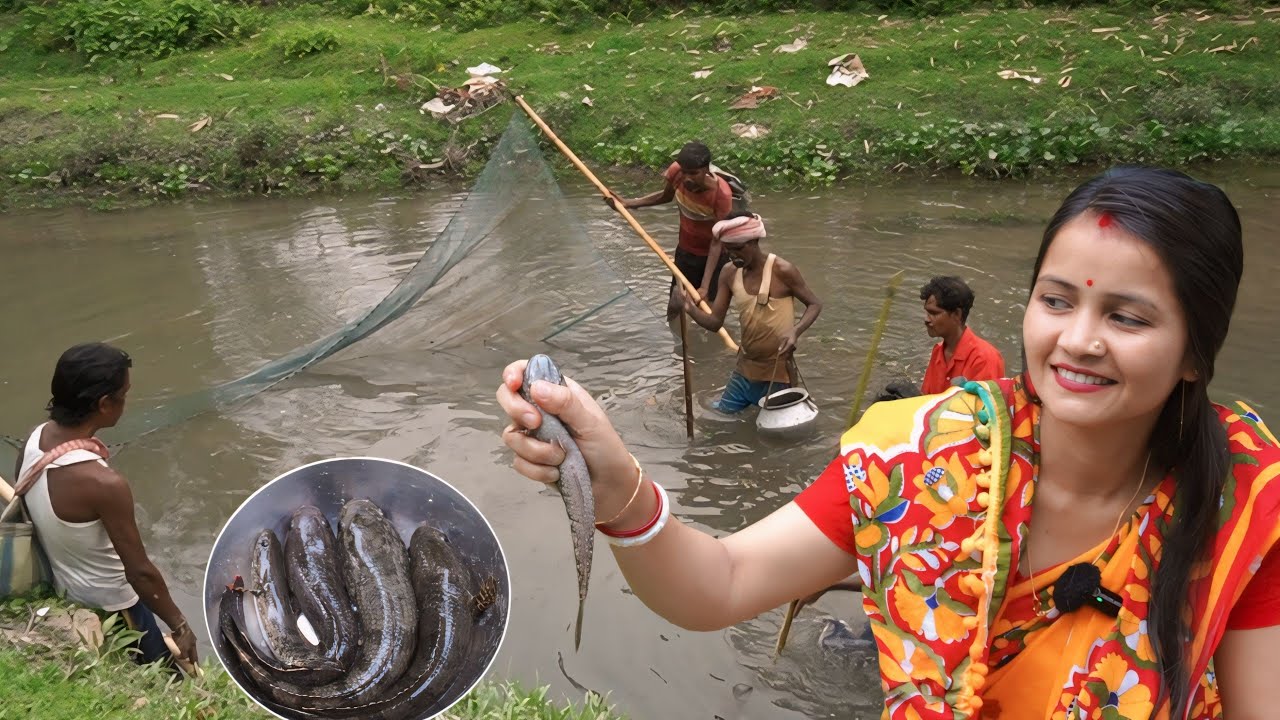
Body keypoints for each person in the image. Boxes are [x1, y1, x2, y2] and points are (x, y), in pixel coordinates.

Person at [498, 167, 1279, 718]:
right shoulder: (919, 458)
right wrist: (619, 489)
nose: (1077, 340)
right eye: (1056, 300)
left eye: (1127, 317)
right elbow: (720, 584)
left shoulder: (1248, 512)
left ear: (1195, 352)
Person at [14, 343, 198, 671]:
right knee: (164, 676)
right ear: (104, 404)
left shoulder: (35, 439)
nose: (126, 402)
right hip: (117, 607)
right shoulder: (103, 484)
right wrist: (180, 625)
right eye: (123, 395)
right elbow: (139, 572)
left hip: (67, 589)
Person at [678, 211, 822, 414]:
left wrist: (795, 332)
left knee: (781, 427)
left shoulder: (782, 270)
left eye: (738, 249)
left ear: (754, 241)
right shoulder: (729, 273)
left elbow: (814, 304)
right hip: (744, 371)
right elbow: (715, 322)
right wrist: (689, 308)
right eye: (728, 250)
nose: (732, 255)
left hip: (777, 374)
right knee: (719, 418)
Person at [605, 141, 734, 325]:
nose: (687, 178)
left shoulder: (721, 195)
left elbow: (717, 241)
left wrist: (705, 286)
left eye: (693, 173)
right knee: (675, 305)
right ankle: (674, 336)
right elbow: (665, 197)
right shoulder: (676, 172)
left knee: (708, 309)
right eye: (684, 172)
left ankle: (703, 339)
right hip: (686, 252)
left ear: (706, 170)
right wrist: (628, 204)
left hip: (714, 258)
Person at [919, 276, 1006, 394]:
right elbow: (926, 398)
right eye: (927, 312)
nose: (926, 319)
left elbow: (984, 404)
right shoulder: (938, 351)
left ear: (957, 314)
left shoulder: (985, 359)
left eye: (934, 313)